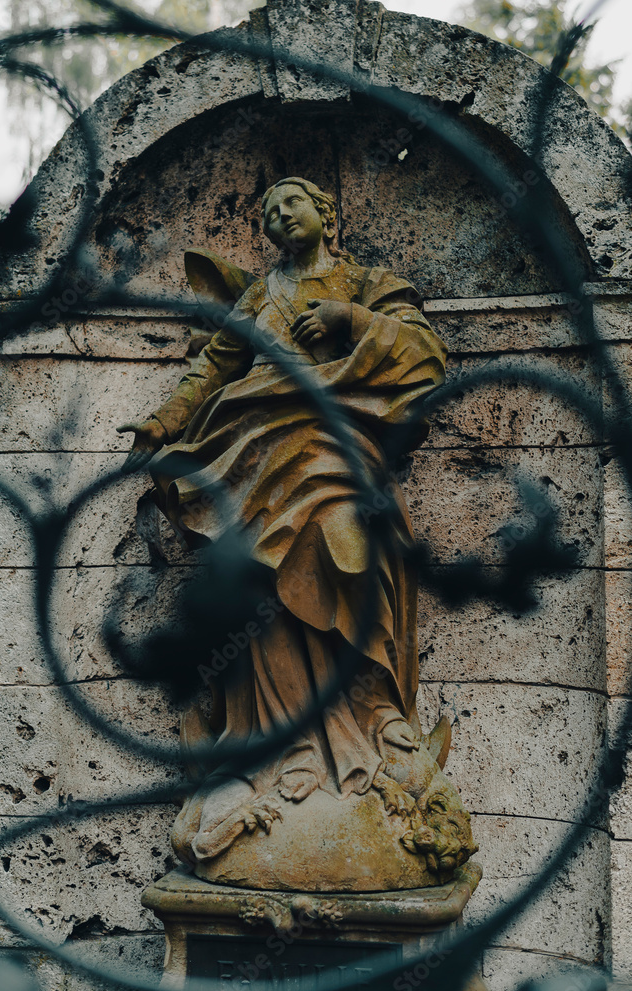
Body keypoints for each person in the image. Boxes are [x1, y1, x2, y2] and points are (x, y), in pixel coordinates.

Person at [118, 177, 449, 865]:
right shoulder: (255, 296)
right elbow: (212, 370)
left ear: (327, 214)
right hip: (248, 453)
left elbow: (424, 354)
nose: (274, 214)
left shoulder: (368, 282)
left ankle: (370, 720)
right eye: (265, 208)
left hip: (334, 448)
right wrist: (161, 421)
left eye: (289, 201)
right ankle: (278, 745)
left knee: (349, 551)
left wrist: (349, 321)